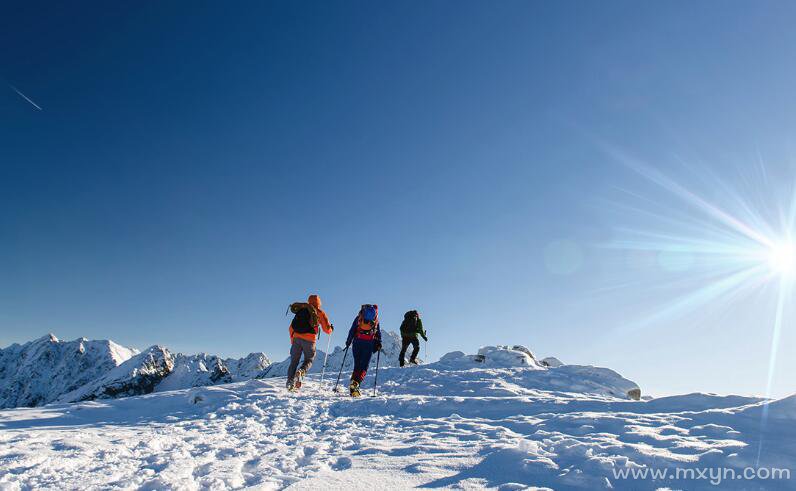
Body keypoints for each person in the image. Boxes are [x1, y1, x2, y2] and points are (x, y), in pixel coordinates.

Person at [286, 294, 333, 391]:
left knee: (294, 362)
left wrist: (293, 340)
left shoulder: (301, 310)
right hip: (310, 340)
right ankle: (301, 371)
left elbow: (291, 328)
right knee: (309, 360)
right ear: (319, 303)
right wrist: (331, 329)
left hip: (296, 339)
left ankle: (290, 383)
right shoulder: (319, 312)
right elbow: (327, 330)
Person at [345, 304, 382, 397]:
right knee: (364, 367)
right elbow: (378, 334)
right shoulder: (376, 320)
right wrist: (379, 343)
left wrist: (348, 341)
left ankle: (353, 385)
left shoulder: (359, 318)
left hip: (357, 342)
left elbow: (352, 329)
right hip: (368, 344)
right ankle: (355, 385)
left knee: (357, 365)